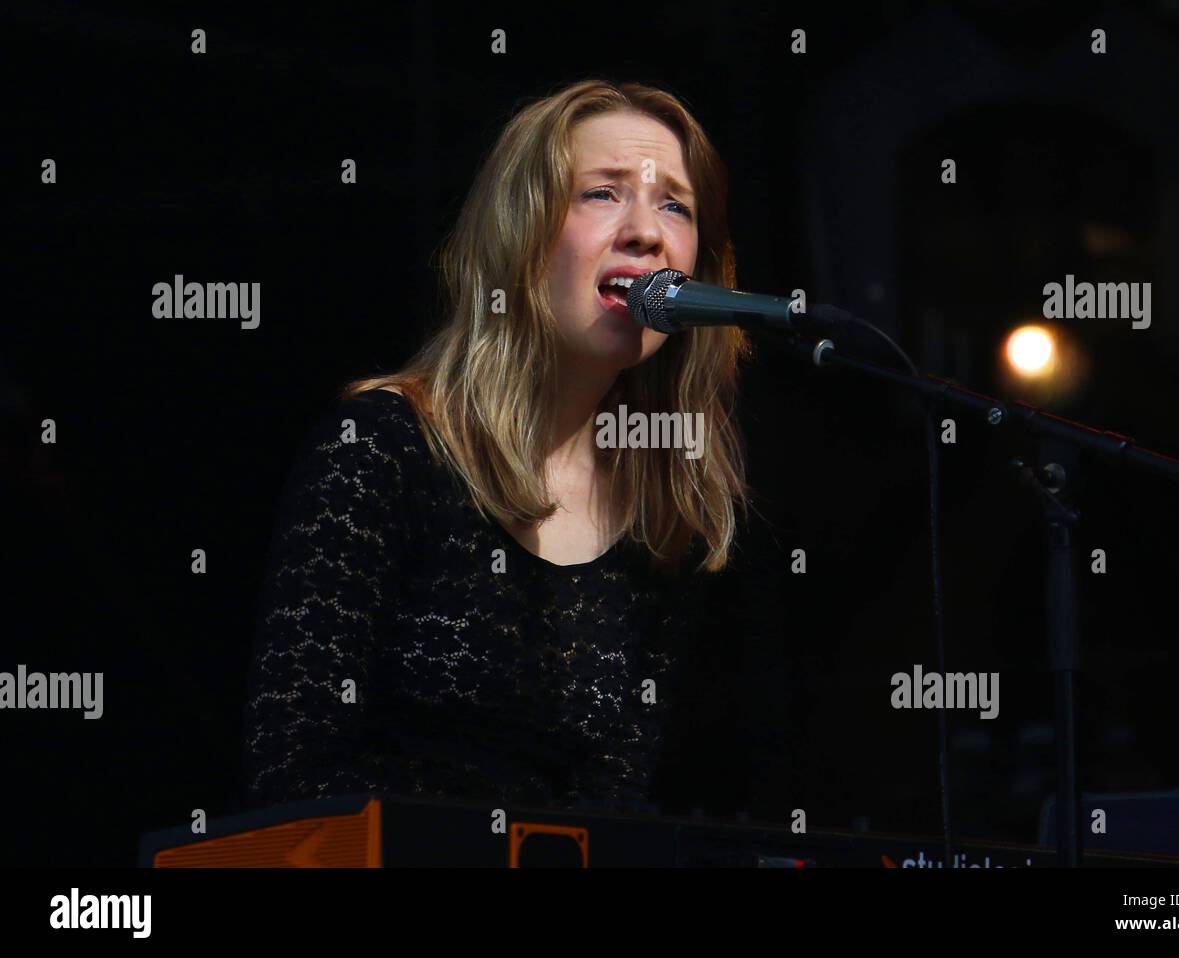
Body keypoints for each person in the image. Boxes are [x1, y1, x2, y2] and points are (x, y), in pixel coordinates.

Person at [241, 78, 784, 816]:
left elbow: (614, 802)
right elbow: (291, 773)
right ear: (518, 235)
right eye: (603, 193)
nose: (646, 232)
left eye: (675, 206)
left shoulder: (665, 507)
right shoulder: (382, 448)